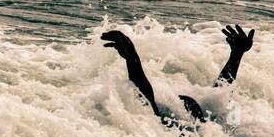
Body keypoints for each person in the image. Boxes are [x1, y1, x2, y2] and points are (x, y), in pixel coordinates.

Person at [101, 24, 254, 125]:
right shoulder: (210, 135)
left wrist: (132, 58)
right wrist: (237, 54)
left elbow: (148, 99)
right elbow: (221, 92)